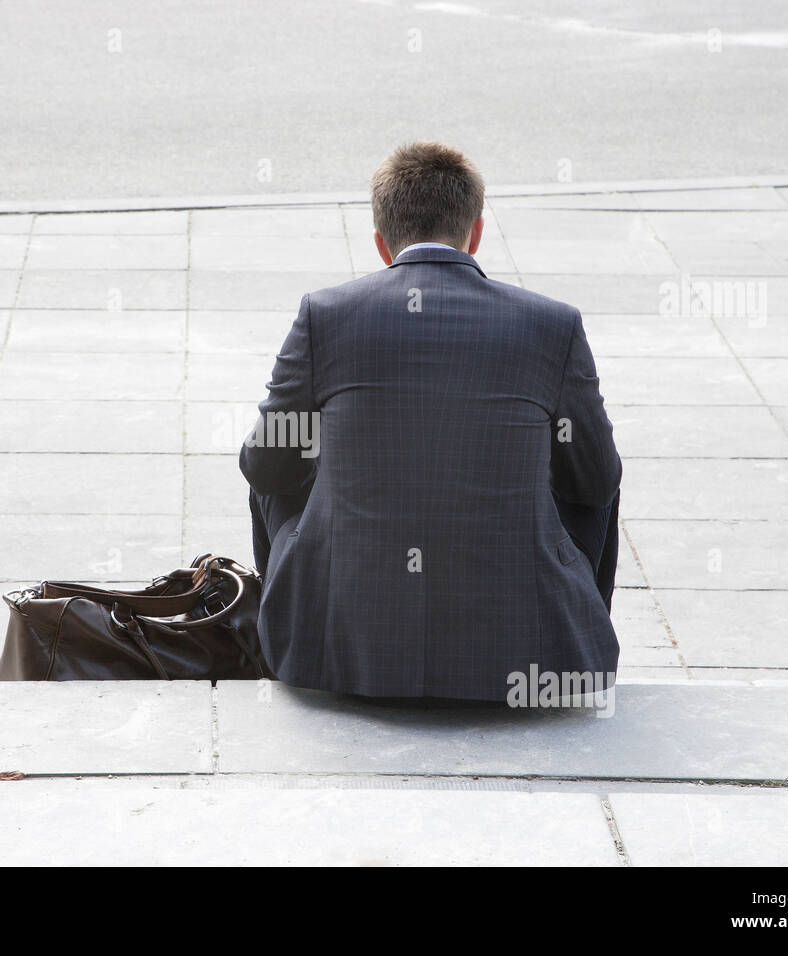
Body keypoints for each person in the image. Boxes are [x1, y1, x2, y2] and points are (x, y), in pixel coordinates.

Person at [239, 141, 621, 704]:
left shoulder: (325, 315)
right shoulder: (552, 325)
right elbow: (595, 481)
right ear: (476, 233)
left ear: (380, 244)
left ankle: (307, 627)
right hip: (531, 662)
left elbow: (265, 468)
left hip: (340, 664)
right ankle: (565, 622)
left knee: (275, 468)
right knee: (595, 477)